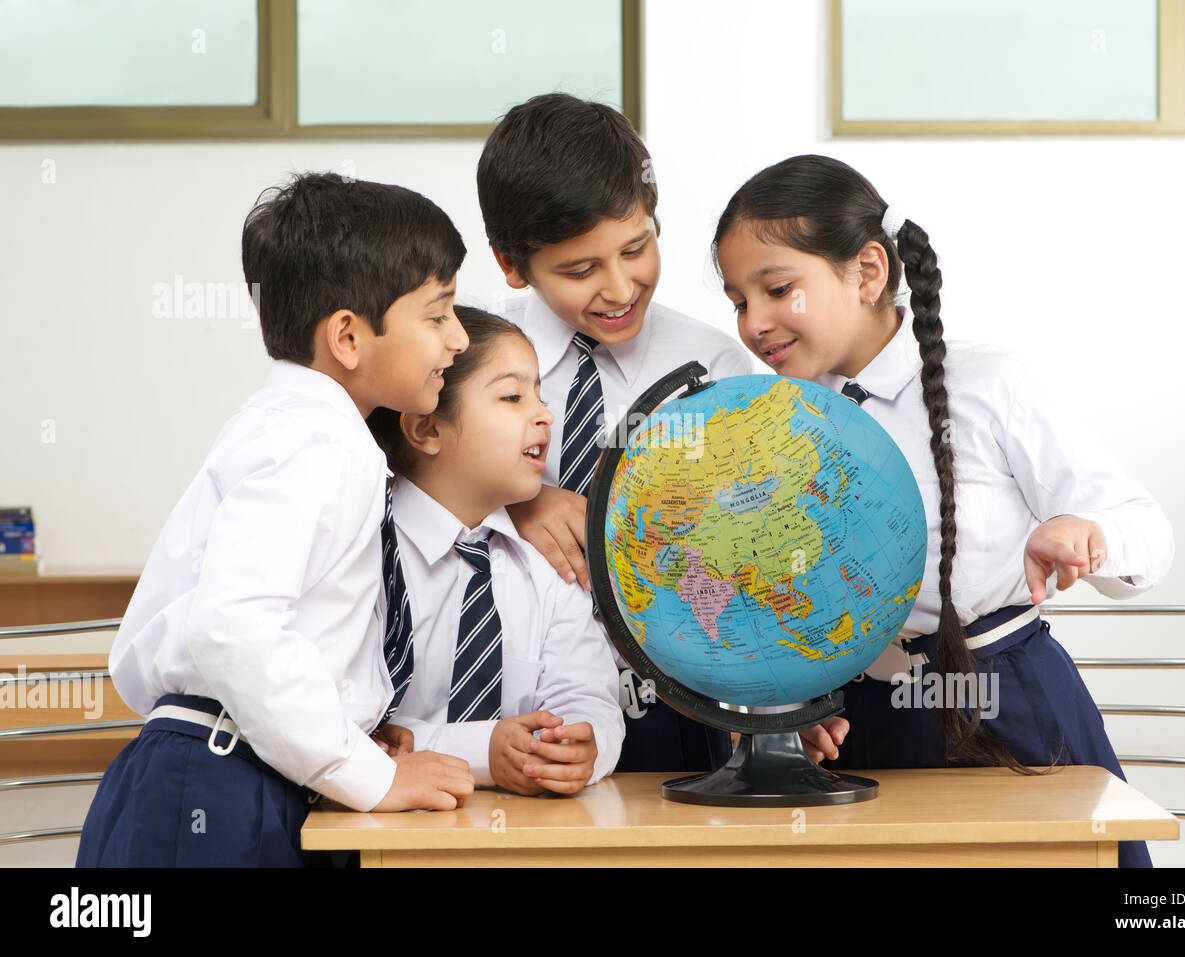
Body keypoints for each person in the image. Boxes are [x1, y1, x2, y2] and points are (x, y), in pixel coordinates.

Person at [712, 154, 1175, 868]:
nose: (754, 322)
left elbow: (1147, 529)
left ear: (868, 272)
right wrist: (788, 717)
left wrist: (1090, 533)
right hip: (860, 734)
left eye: (777, 289)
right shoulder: (774, 425)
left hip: (1007, 713)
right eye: (738, 301)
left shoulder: (990, 384)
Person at [77, 173, 476, 868]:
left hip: (235, 768)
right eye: (438, 314)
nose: (460, 338)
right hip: (215, 788)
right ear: (348, 336)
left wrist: (344, 729)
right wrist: (367, 773)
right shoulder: (314, 444)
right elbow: (232, 625)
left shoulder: (304, 429)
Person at [476, 93, 754, 772]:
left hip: (671, 698)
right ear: (513, 265)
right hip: (506, 702)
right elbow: (409, 495)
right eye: (580, 270)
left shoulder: (711, 364)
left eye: (637, 247)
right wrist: (517, 499)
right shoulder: (465, 353)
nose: (621, 285)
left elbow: (737, 538)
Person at [366, 307, 623, 795]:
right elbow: (362, 733)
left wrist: (583, 748)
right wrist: (481, 751)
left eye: (541, 396)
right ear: (427, 429)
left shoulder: (546, 562)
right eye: (512, 396)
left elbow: (587, 694)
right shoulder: (368, 550)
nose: (545, 414)